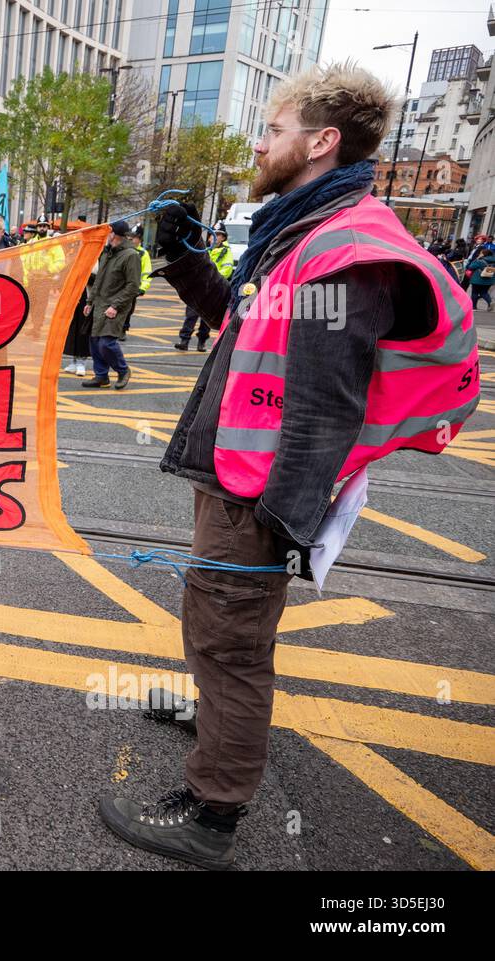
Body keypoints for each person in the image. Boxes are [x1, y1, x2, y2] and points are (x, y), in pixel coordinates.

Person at [106, 61, 479, 870]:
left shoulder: (345, 249)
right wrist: (183, 261)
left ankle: (211, 812)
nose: (260, 142)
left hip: (257, 492)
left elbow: (326, 407)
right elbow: (244, 329)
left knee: (233, 642)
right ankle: (212, 717)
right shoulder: (306, 228)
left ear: (321, 140)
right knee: (214, 629)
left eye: (273, 129)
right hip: (239, 480)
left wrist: (281, 522)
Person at [81, 220, 140, 390]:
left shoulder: (131, 255)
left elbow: (133, 286)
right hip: (99, 304)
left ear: (115, 235)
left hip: (115, 306)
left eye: (108, 232)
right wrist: (90, 301)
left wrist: (116, 306)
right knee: (94, 340)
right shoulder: (108, 252)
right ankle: (101, 376)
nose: (106, 235)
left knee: (106, 343)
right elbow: (99, 279)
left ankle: (123, 371)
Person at [176, 227, 234, 351]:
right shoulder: (203, 249)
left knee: (206, 319)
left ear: (223, 238)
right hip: (197, 287)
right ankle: (184, 340)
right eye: (213, 235)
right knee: (190, 316)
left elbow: (227, 270)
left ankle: (201, 342)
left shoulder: (226, 252)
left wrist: (212, 279)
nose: (214, 237)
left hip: (213, 289)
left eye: (218, 235)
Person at [468, 244, 495, 310]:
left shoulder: (480, 261)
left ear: (484, 254)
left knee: (475, 292)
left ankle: (474, 307)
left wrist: (477, 258)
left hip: (477, 279)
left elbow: (470, 267)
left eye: (481, 253)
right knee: (484, 292)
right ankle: (490, 302)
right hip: (489, 279)